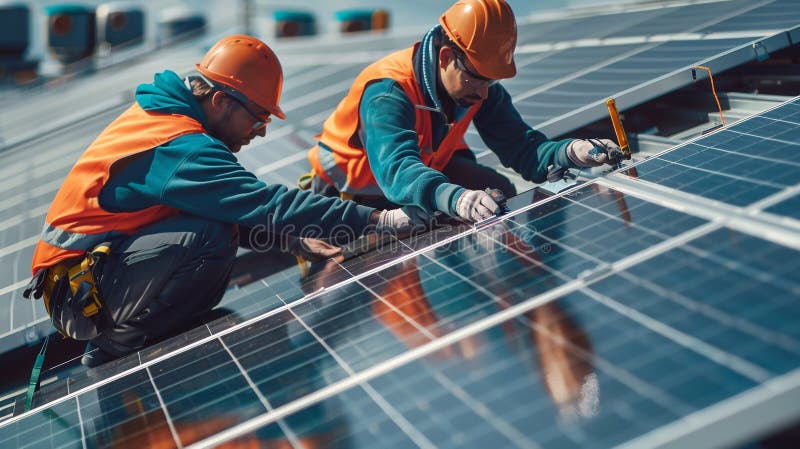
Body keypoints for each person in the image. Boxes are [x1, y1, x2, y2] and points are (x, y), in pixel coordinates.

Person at [23, 34, 423, 367]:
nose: (261, 132)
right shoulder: (179, 145)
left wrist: (293, 240)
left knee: (216, 224)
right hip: (80, 297)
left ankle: (136, 331)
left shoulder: (167, 120)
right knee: (210, 235)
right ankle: (121, 348)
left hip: (90, 281)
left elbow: (227, 205)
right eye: (258, 118)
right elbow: (265, 203)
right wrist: (379, 222)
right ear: (220, 102)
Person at [307, 0, 623, 223]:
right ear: (445, 58)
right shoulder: (389, 92)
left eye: (491, 80)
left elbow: (522, 147)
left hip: (420, 174)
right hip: (349, 194)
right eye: (477, 78)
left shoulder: (477, 89)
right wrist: (456, 199)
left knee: (498, 192)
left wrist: (572, 151)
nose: (484, 92)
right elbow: (397, 170)